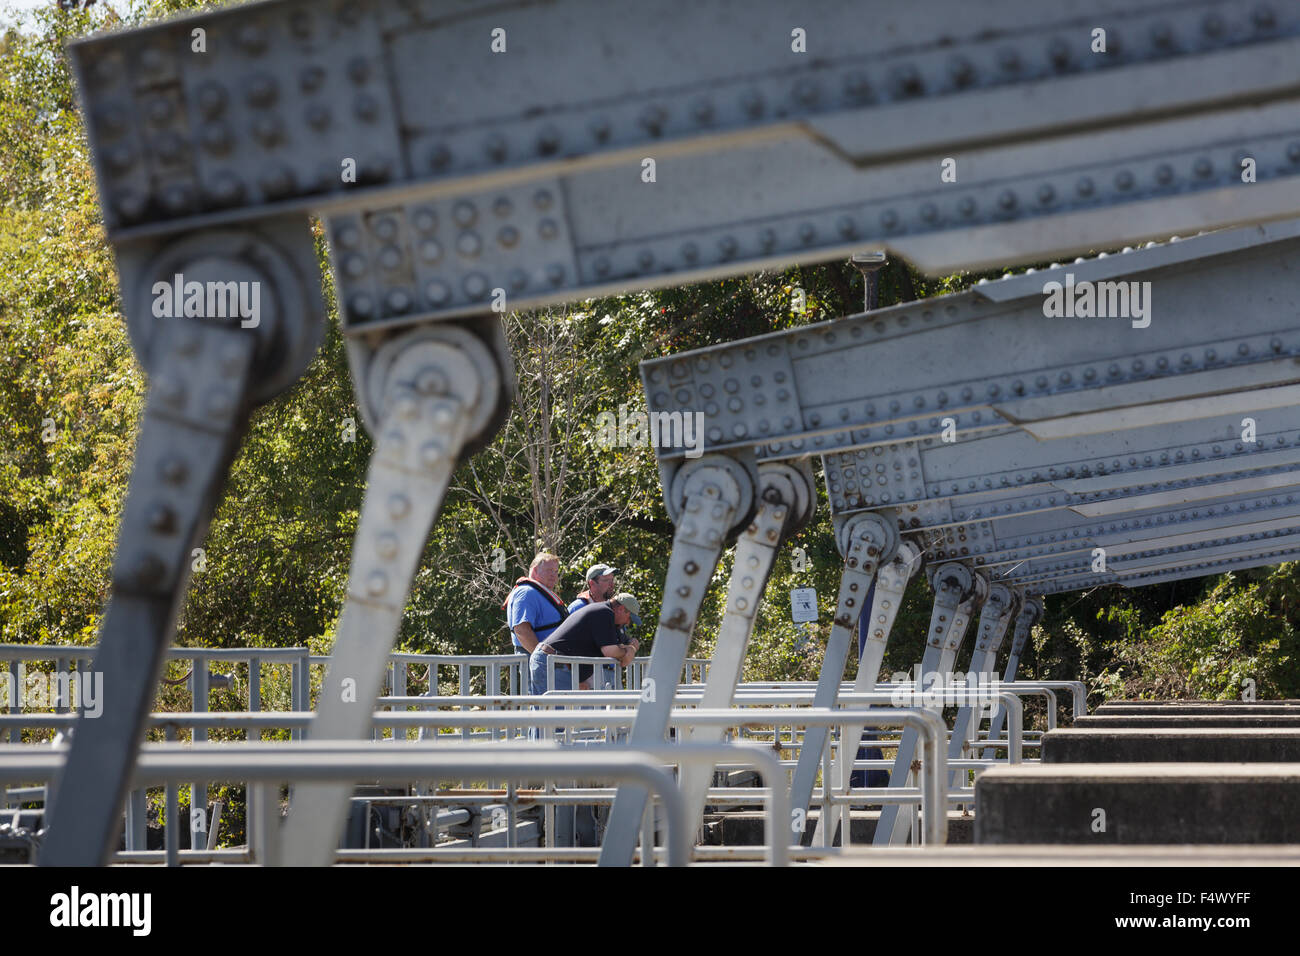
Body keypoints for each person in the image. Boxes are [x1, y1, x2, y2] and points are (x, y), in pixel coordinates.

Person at [529, 594, 642, 696]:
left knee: (548, 710)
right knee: (554, 711)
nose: (628, 623)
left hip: (556, 663)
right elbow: (610, 651)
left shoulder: (606, 615)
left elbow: (622, 650)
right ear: (621, 609)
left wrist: (629, 647)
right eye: (629, 618)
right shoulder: (604, 612)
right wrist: (630, 650)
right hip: (553, 663)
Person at [504, 552, 568, 657]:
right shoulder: (526, 592)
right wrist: (542, 658)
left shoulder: (540, 593)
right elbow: (521, 631)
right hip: (536, 661)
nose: (553, 575)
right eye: (549, 570)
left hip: (554, 659)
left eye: (556, 571)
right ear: (534, 571)